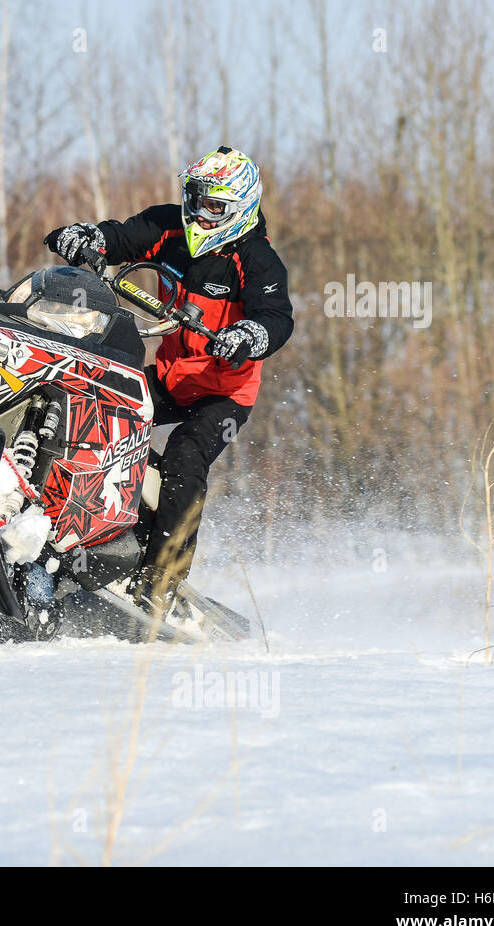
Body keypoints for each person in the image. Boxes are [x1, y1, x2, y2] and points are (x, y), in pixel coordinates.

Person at [43, 146, 294, 610]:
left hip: (225, 395)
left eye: (213, 206)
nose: (199, 213)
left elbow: (278, 317)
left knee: (184, 457)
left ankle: (161, 579)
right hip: (170, 375)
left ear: (241, 208)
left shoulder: (257, 261)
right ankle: (82, 528)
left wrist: (249, 333)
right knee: (91, 410)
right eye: (195, 200)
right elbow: (119, 238)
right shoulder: (167, 226)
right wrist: (87, 239)